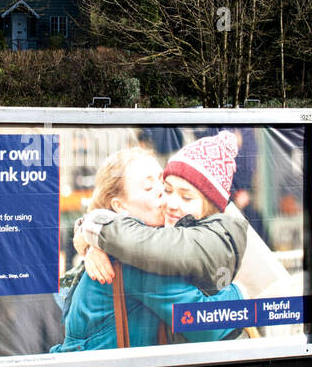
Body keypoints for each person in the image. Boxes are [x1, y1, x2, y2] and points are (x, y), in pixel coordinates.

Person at [51, 140, 246, 353]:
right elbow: (205, 325)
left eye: (163, 185)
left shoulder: (144, 243)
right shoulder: (134, 258)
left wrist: (87, 236)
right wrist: (241, 293)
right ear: (119, 206)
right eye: (148, 187)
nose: (162, 194)